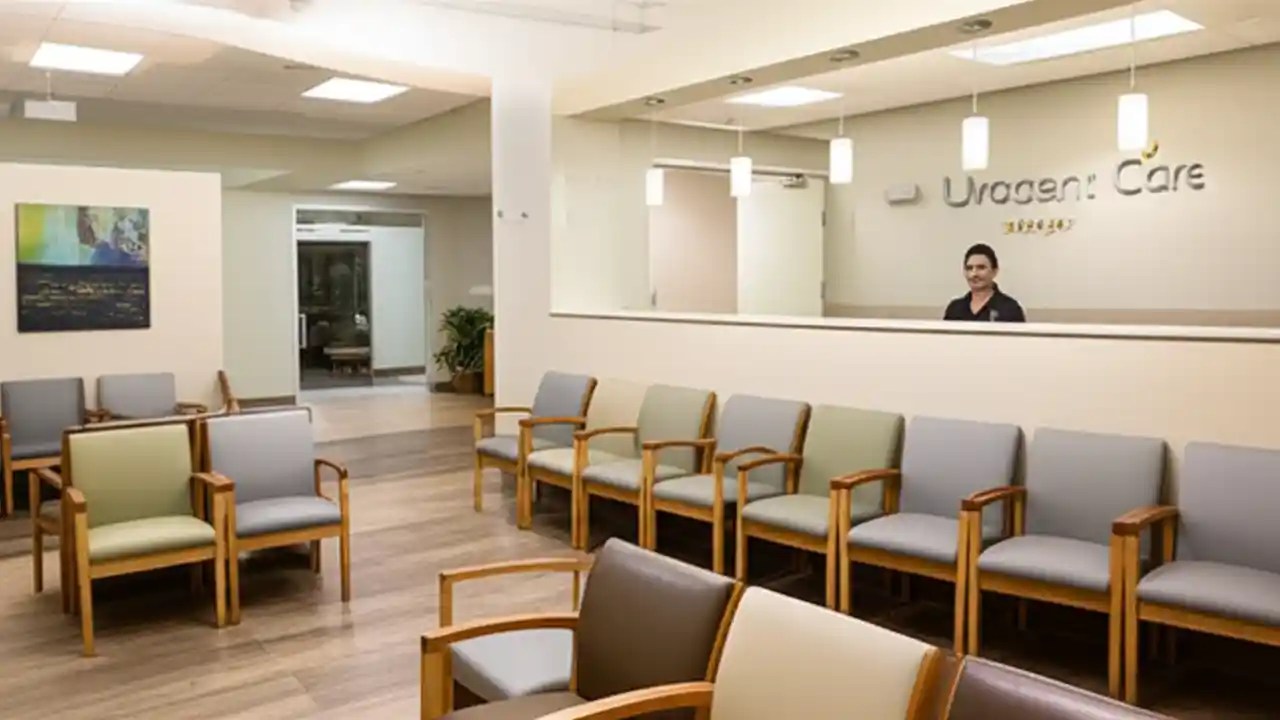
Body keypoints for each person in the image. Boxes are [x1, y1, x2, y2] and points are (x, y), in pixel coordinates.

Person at [943, 243, 1026, 322]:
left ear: (994, 271)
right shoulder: (955, 309)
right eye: (969, 268)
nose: (974, 274)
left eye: (981, 268)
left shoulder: (1010, 309)